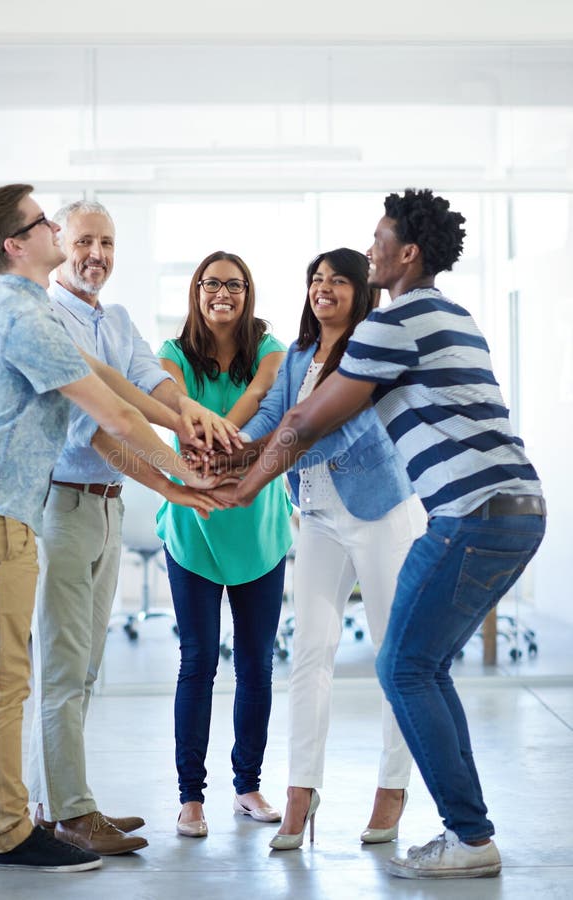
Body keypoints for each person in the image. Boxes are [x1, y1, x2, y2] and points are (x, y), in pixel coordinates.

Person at [219, 189, 546, 879]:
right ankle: (469, 832)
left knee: (401, 665)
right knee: (421, 664)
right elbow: (288, 416)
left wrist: (244, 489)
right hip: (516, 508)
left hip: (469, 513)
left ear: (408, 252)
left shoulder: (390, 324)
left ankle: (466, 836)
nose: (369, 250)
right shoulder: (454, 316)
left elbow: (307, 422)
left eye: (378, 239)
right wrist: (240, 457)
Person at [0, 184, 224, 874]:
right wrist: (186, 477)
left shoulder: (20, 307)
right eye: (45, 223)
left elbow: (116, 381)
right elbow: (112, 416)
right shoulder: (23, 315)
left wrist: (185, 421)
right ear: (16, 244)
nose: (57, 232)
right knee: (4, 681)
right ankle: (11, 831)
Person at [26, 200, 236, 857]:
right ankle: (69, 811)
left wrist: (194, 416)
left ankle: (54, 804)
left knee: (85, 668)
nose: (97, 255)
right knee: (63, 668)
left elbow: (152, 384)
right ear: (58, 243)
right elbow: (103, 428)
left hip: (106, 507)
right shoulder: (47, 319)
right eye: (84, 241)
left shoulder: (113, 320)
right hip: (62, 506)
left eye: (108, 243)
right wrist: (179, 479)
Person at [239, 248, 427, 850]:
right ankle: (301, 791)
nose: (323, 288)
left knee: (393, 657)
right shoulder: (298, 355)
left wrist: (262, 467)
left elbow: (335, 429)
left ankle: (392, 786)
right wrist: (234, 447)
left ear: (360, 291)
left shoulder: (374, 351)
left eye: (338, 280)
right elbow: (276, 414)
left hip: (380, 514)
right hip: (317, 516)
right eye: (316, 279)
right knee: (308, 654)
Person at [156, 250, 293, 837]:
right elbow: (173, 413)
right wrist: (220, 447)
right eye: (211, 283)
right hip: (194, 522)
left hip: (258, 522)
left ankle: (248, 786)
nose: (222, 294)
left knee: (257, 664)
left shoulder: (270, 347)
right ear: (196, 291)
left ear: (247, 292)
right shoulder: (172, 353)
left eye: (234, 285)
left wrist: (218, 440)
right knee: (198, 662)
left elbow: (264, 394)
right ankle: (191, 797)